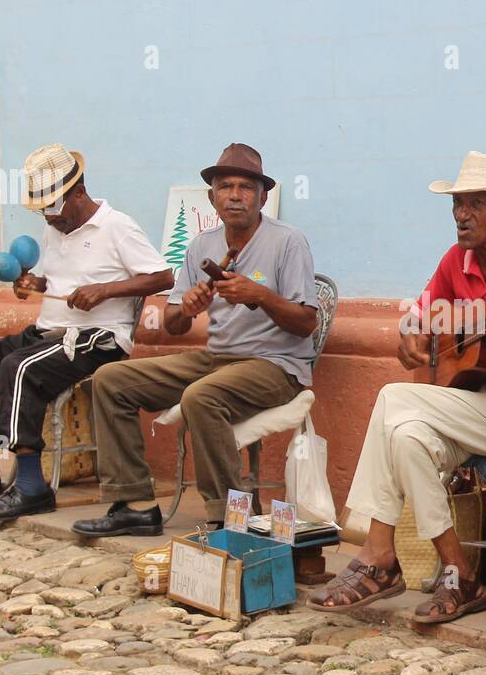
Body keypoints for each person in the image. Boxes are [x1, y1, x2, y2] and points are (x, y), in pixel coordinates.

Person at [308, 151, 486, 623]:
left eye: (475, 204)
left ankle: (378, 552)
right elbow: (419, 316)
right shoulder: (457, 261)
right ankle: (460, 574)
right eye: (457, 203)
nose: (461, 214)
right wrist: (412, 336)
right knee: (406, 438)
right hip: (474, 406)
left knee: (392, 397)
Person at [73, 143, 318, 537]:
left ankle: (230, 517)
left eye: (245, 187)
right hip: (217, 360)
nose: (235, 196)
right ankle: (134, 505)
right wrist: (187, 308)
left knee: (201, 396)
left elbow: (307, 323)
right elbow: (173, 325)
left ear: (262, 198)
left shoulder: (287, 241)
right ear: (212, 197)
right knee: (110, 380)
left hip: (275, 366)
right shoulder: (203, 245)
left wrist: (261, 296)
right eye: (225, 187)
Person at [0, 143, 174, 520]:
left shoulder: (117, 226)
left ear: (79, 193)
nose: (48, 216)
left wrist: (105, 290)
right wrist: (36, 284)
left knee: (18, 367)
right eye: (41, 209)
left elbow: (163, 276)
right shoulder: (56, 228)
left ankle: (31, 487)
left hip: (96, 339)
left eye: (53, 207)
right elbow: (60, 280)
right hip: (47, 334)